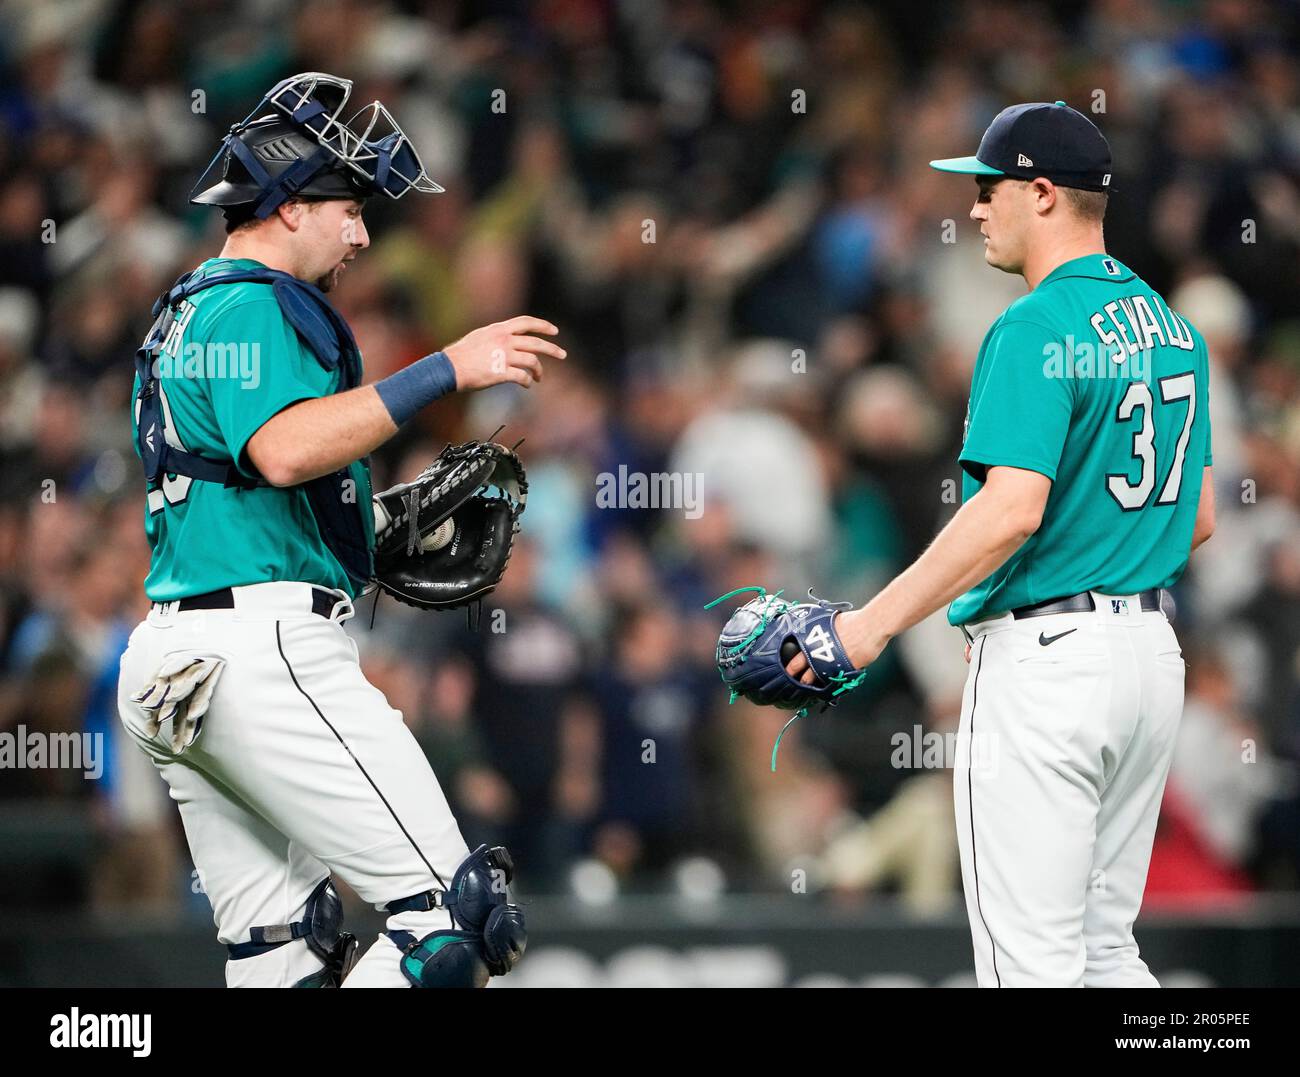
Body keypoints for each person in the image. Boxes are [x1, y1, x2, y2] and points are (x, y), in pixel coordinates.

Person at [116, 73, 564, 987]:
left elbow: (256, 482)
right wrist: (448, 365)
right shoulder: (249, 302)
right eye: (348, 207)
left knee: (285, 956)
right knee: (457, 925)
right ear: (286, 206)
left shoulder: (187, 309)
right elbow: (283, 451)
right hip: (260, 652)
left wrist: (371, 524)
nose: (362, 233)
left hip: (182, 653)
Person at [785, 102, 1214, 986]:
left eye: (989, 188)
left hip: (1047, 663)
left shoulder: (1034, 325)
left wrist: (868, 626)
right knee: (1105, 949)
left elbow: (1011, 508)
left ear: (1044, 193)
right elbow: (1199, 517)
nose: (975, 208)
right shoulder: (1173, 326)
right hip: (1146, 653)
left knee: (1033, 965)